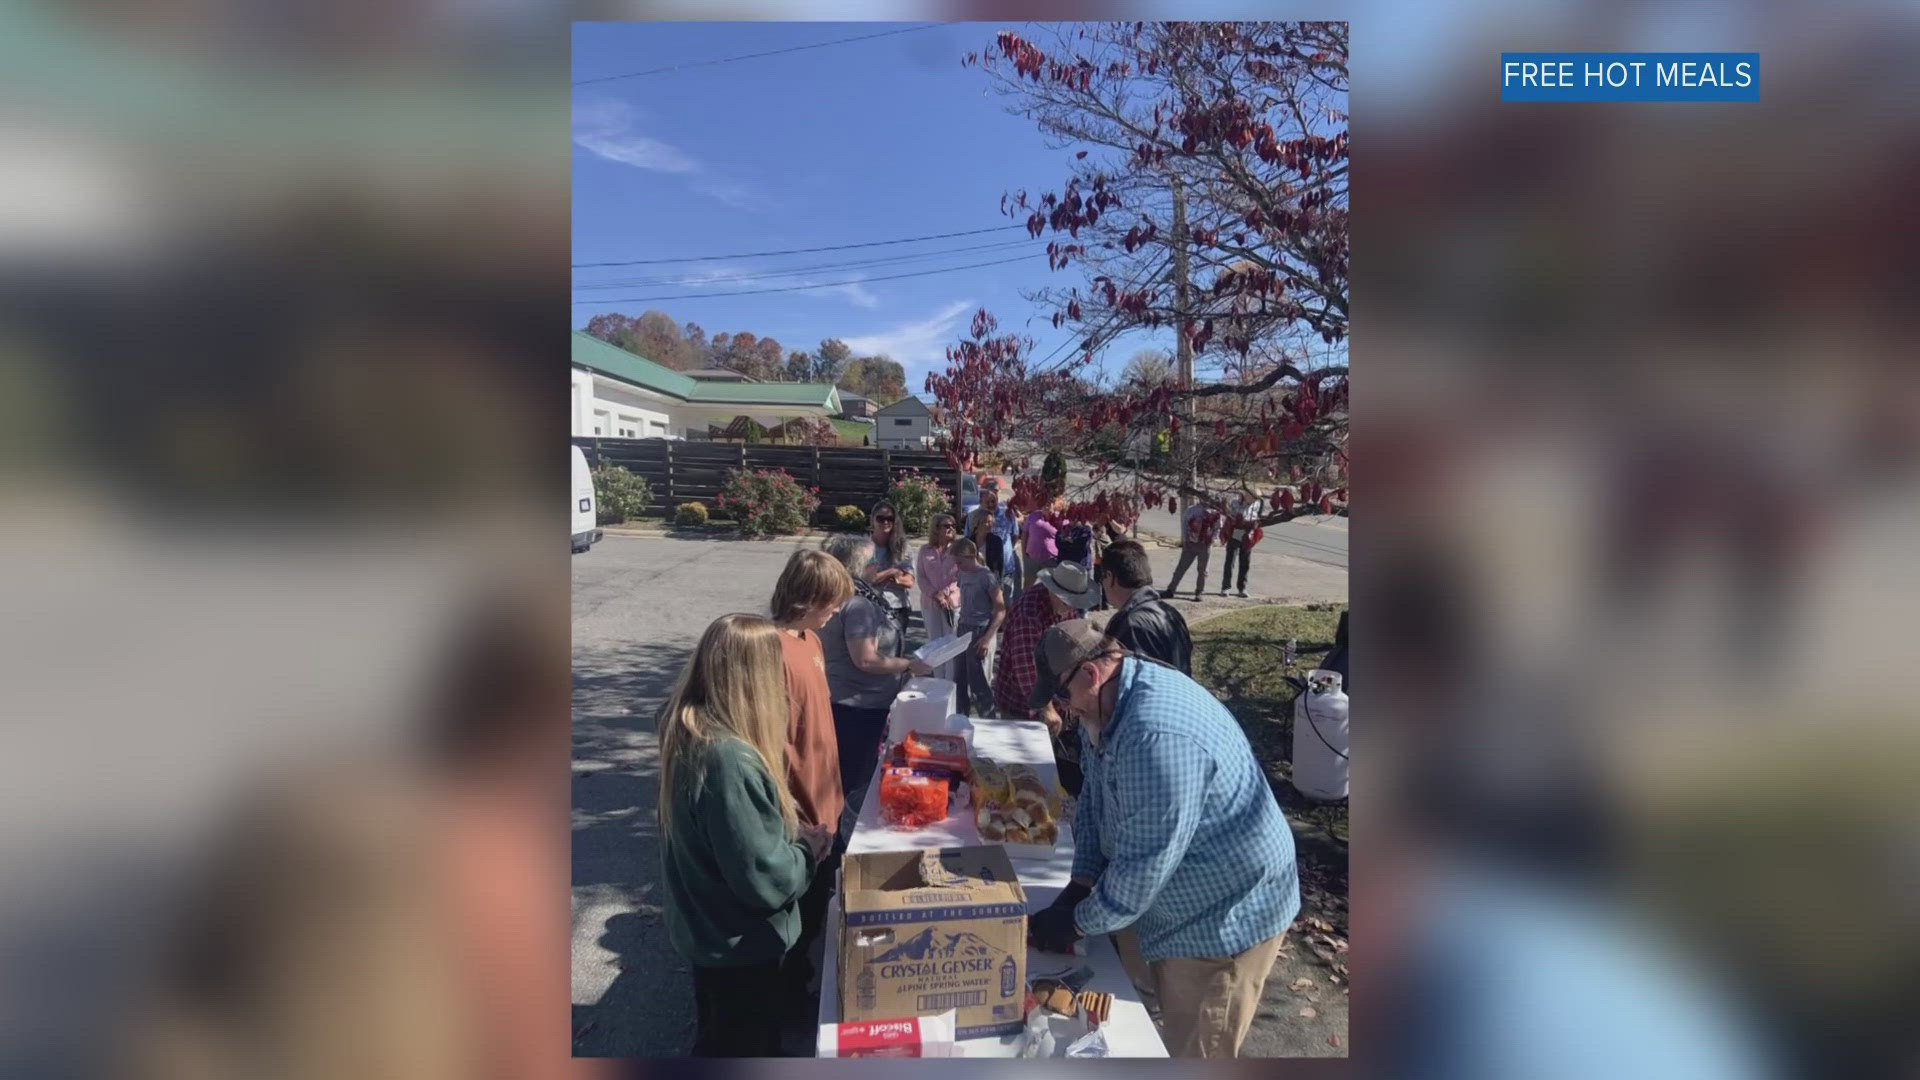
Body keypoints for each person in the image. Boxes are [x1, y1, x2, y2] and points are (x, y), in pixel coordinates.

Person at [1024, 622, 1299, 1059]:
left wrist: (1076, 922)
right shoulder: (1105, 705)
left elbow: (1140, 872)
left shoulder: (1156, 739)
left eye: (1062, 695)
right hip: (1171, 895)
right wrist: (1081, 882)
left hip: (1223, 920)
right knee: (1143, 1009)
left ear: (1091, 675)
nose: (1065, 708)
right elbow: (1095, 800)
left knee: (1197, 1050)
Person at [657, 613, 834, 1058]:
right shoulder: (729, 759)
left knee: (718, 1034)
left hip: (705, 931)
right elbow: (765, 879)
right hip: (737, 944)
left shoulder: (686, 724)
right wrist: (808, 851)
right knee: (743, 1042)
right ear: (753, 678)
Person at [767, 550, 855, 1027]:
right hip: (800, 817)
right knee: (794, 924)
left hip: (828, 804)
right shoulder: (770, 651)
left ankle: (798, 986)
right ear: (809, 597)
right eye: (832, 601)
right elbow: (768, 745)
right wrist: (794, 821)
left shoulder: (813, 642)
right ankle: (781, 1004)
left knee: (818, 911)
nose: (838, 610)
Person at [818, 535, 933, 821]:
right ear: (858, 565)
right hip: (857, 708)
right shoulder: (856, 604)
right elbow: (866, 658)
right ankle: (840, 848)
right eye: (873, 561)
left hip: (855, 704)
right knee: (854, 786)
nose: (879, 564)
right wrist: (907, 665)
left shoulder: (852, 594)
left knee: (849, 781)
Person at [993, 561, 1100, 723]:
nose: (1071, 608)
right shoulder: (1028, 615)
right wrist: (1048, 709)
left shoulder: (1067, 608)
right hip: (1021, 705)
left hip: (1055, 696)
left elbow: (1072, 650)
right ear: (1053, 591)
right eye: (1067, 602)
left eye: (1075, 603)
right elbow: (1027, 670)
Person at [1100, 540, 1193, 673]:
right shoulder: (1171, 613)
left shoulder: (1131, 625)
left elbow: (1128, 682)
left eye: (1102, 578)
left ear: (1109, 577)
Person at [948, 538, 1006, 717]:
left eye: (960, 562)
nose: (957, 566)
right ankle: (960, 717)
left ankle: (988, 718)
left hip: (980, 630)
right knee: (959, 678)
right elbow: (962, 595)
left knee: (978, 681)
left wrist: (987, 638)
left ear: (971, 556)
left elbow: (1001, 610)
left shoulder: (986, 576)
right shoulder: (963, 574)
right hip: (963, 628)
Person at [914, 513, 961, 678]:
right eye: (946, 526)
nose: (950, 529)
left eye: (953, 526)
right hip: (930, 603)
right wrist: (935, 594)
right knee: (935, 644)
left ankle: (951, 682)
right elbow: (920, 576)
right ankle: (939, 680)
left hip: (951, 603)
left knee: (951, 644)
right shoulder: (925, 550)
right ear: (936, 529)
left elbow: (961, 576)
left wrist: (947, 593)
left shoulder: (958, 549)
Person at [965, 479, 1023, 604]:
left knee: (1006, 601)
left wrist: (1005, 550)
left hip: (1006, 568)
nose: (991, 504)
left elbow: (1015, 534)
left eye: (994, 501)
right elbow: (969, 539)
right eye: (988, 502)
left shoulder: (1007, 513)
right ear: (981, 501)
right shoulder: (973, 516)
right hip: (980, 569)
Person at [865, 499, 915, 636]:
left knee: (896, 651)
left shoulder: (903, 547)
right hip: (871, 607)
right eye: (880, 518)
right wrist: (893, 571)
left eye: (889, 518)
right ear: (873, 520)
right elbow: (871, 579)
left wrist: (896, 580)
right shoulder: (865, 547)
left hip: (898, 607)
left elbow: (910, 581)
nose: (885, 522)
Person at [1163, 497, 1220, 601]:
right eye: (1204, 497)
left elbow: (1217, 528)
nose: (1206, 500)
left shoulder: (1214, 512)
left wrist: (1213, 539)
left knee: (1203, 570)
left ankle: (1199, 592)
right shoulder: (1191, 509)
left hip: (1205, 545)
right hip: (1191, 544)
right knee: (1181, 568)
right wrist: (1185, 540)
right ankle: (1170, 590)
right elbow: (1185, 524)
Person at [1219, 489, 1267, 598]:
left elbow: (1260, 518)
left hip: (1248, 535)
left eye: (1256, 498)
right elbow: (1230, 516)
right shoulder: (1236, 503)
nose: (1254, 499)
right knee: (1230, 562)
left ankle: (1242, 588)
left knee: (1245, 563)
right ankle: (1225, 587)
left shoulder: (1258, 505)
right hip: (1235, 534)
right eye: (1253, 497)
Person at [1022, 499, 1063, 590]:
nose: (1046, 506)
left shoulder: (1059, 519)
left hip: (1051, 560)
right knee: (1028, 586)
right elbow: (1025, 534)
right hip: (1032, 558)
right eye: (1044, 503)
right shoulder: (1033, 516)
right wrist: (1024, 553)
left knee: (1052, 587)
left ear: (1054, 505)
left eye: (1049, 503)